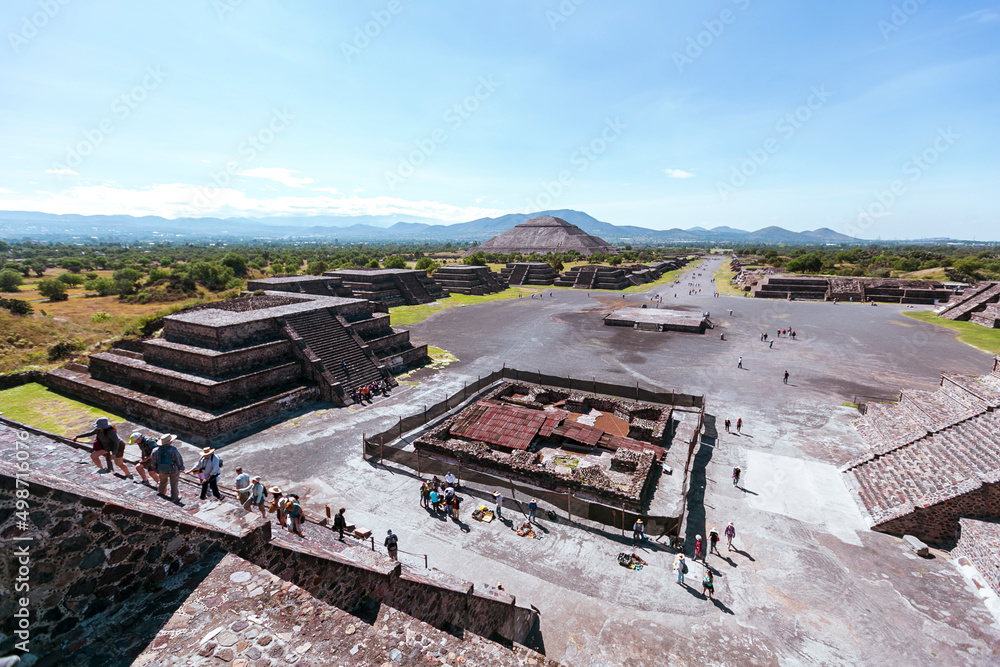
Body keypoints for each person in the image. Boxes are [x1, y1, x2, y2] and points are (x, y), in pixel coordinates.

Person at [153, 434, 184, 502]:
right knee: (174, 484)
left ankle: (161, 495)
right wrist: (181, 467)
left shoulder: (155, 450)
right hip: (173, 469)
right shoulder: (173, 449)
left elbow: (153, 461)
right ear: (169, 442)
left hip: (162, 469)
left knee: (162, 482)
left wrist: (155, 469)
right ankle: (175, 497)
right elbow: (178, 459)